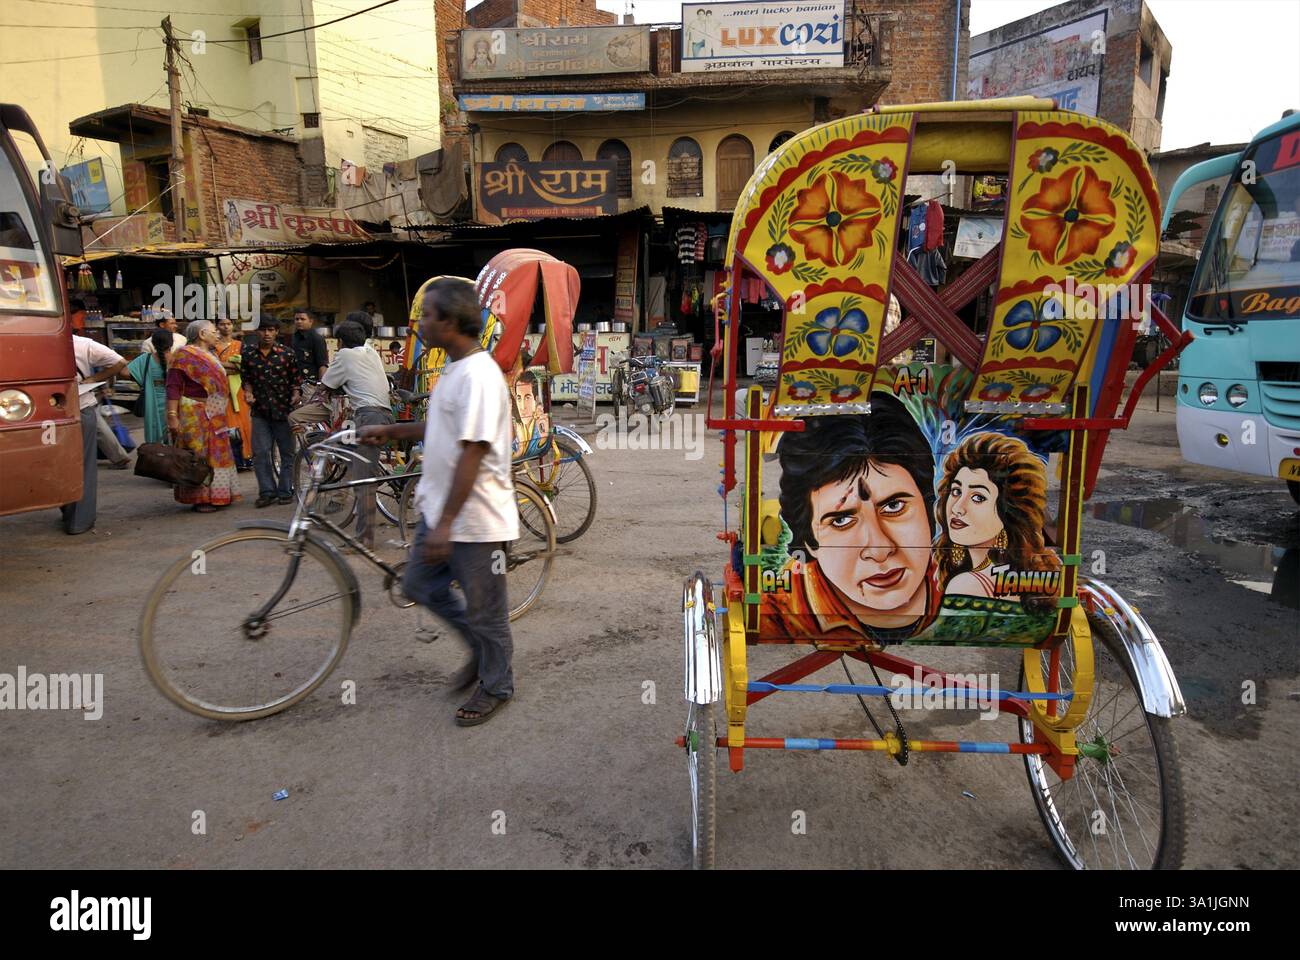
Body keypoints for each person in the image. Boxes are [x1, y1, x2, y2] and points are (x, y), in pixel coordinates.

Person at [360, 277, 518, 726]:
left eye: (427, 315)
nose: (420, 323)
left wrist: (447, 524)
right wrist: (392, 431)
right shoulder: (454, 368)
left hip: (476, 522)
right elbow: (442, 429)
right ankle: (477, 648)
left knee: (488, 614)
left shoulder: (481, 376)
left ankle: (497, 684)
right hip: (443, 512)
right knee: (419, 586)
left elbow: (474, 449)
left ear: (449, 322)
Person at [759, 393, 940, 642]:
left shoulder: (969, 590)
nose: (879, 549)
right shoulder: (777, 614)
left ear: (928, 510)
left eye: (895, 506)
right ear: (810, 542)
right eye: (841, 520)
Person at [293, 319, 394, 547]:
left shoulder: (344, 356)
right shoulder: (370, 351)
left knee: (363, 482)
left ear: (340, 342)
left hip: (368, 417)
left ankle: (363, 539)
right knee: (356, 460)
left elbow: (326, 385)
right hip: (384, 416)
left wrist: (314, 398)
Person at [934, 432, 1059, 600]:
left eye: (978, 497)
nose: (957, 508)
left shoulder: (967, 584)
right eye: (956, 491)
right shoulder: (1018, 575)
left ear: (1008, 512)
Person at [165, 320, 240, 512]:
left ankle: (219, 495)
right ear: (202, 334)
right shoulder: (183, 354)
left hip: (216, 412)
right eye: (213, 331)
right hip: (194, 412)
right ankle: (201, 499)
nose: (217, 335)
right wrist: (172, 415)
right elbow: (173, 386)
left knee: (218, 454)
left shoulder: (210, 354)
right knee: (199, 455)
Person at [64, 335, 128, 534]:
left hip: (58, 411)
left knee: (68, 465)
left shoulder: (80, 344)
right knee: (82, 466)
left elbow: (119, 363)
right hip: (80, 408)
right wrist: (96, 379)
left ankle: (74, 518)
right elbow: (119, 362)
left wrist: (95, 379)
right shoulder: (82, 344)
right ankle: (77, 519)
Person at [242, 321, 302, 507]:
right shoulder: (248, 354)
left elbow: (296, 381)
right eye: (263, 330)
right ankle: (267, 491)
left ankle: (285, 490)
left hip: (284, 411)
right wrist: (248, 392)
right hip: (260, 411)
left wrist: (295, 394)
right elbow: (247, 379)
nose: (267, 334)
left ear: (276, 332)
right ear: (257, 332)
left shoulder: (287, 353)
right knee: (260, 453)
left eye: (270, 330)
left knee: (287, 454)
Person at [215, 317, 254, 469]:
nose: (225, 327)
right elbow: (212, 364)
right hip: (220, 388)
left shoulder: (240, 345)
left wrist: (221, 364)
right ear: (217, 326)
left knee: (244, 422)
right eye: (222, 324)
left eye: (228, 324)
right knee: (225, 422)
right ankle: (231, 458)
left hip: (238, 388)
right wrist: (230, 365)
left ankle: (246, 457)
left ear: (232, 326)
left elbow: (243, 366)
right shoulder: (214, 346)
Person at [125, 327, 174, 444]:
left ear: (153, 343)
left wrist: (143, 380)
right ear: (171, 343)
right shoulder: (177, 359)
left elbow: (124, 372)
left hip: (151, 403)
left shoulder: (146, 359)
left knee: (154, 432)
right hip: (173, 402)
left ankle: (155, 457)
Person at [291, 309, 329, 383]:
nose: (299, 321)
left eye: (302, 319)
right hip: (295, 380)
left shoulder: (317, 339)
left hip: (311, 381)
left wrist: (320, 385)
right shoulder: (294, 337)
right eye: (297, 319)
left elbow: (322, 364)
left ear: (311, 321)